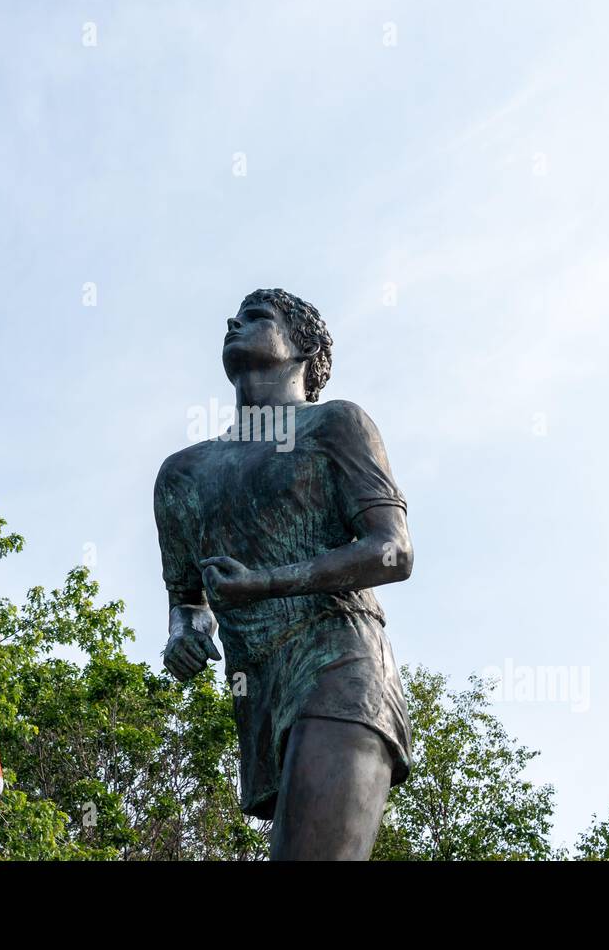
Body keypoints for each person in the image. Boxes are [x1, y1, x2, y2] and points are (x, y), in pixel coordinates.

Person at [153, 287, 414, 860]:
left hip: (342, 659)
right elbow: (187, 600)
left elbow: (393, 552)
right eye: (235, 315)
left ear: (303, 348)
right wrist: (186, 636)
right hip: (259, 685)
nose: (234, 321)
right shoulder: (183, 474)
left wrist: (266, 582)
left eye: (257, 316)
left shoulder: (337, 424)